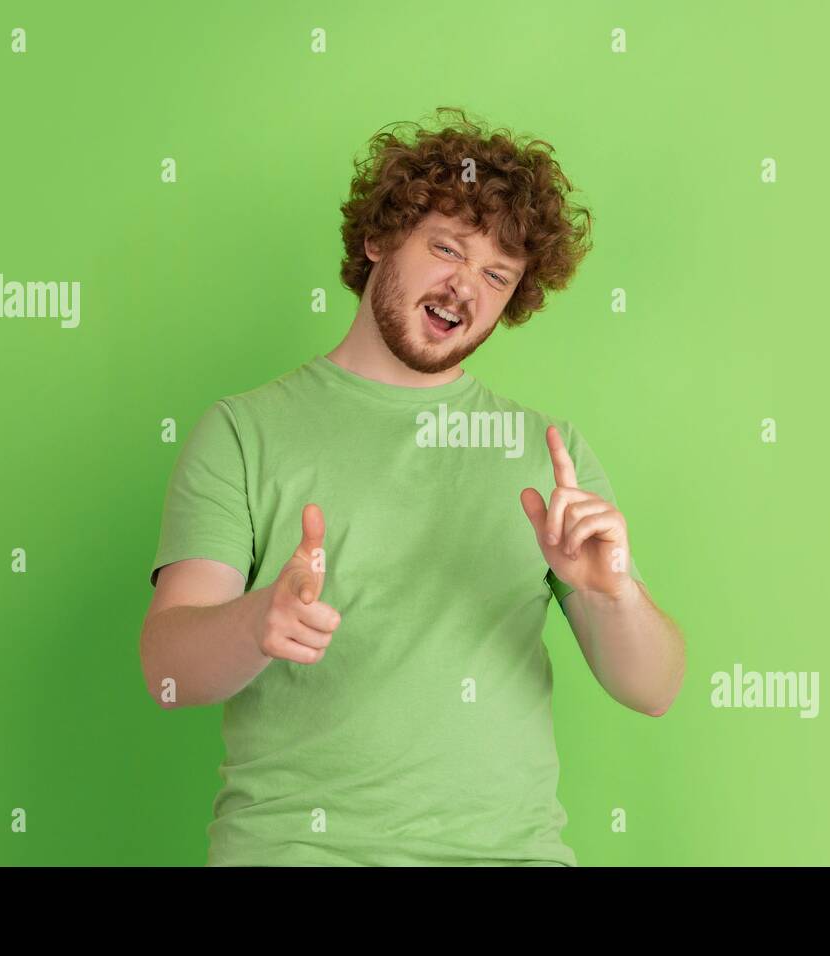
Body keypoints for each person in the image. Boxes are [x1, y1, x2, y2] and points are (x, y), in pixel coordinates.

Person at [140, 107, 685, 866]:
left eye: (497, 275)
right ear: (377, 240)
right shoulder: (242, 432)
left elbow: (653, 688)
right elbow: (167, 671)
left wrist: (612, 592)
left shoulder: (547, 454)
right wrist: (257, 620)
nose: (465, 287)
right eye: (446, 249)